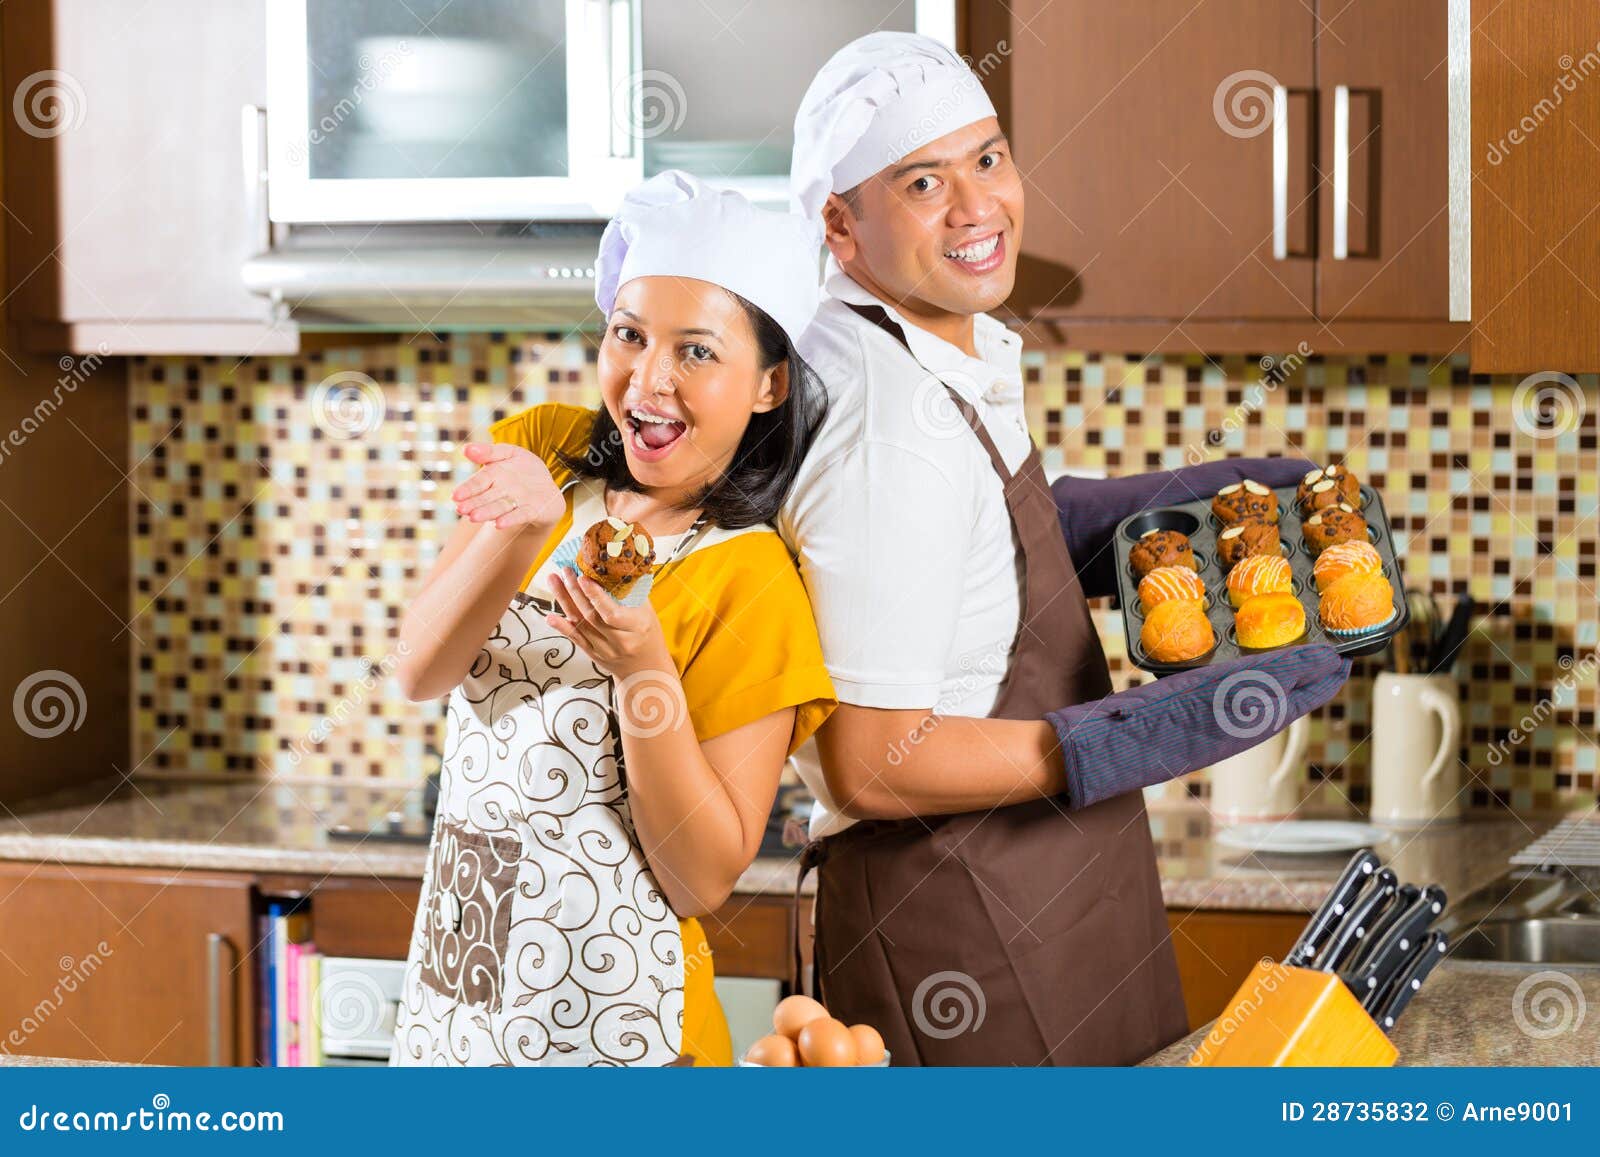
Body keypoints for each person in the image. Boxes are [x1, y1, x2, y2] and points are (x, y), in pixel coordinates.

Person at [779, 32, 1350, 1066]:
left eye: (988, 158)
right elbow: (868, 763)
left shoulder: (920, 344)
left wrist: (1130, 516)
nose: (977, 207)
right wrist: (1133, 734)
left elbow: (966, 551)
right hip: (965, 936)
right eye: (922, 182)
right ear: (840, 223)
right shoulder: (886, 425)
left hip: (1051, 897)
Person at [390, 171, 835, 1067]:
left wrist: (643, 671)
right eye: (629, 334)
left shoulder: (752, 577)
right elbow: (417, 670)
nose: (648, 380)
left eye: (697, 351)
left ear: (769, 383)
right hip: (461, 991)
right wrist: (518, 534)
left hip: (623, 1024)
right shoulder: (546, 452)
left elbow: (701, 877)